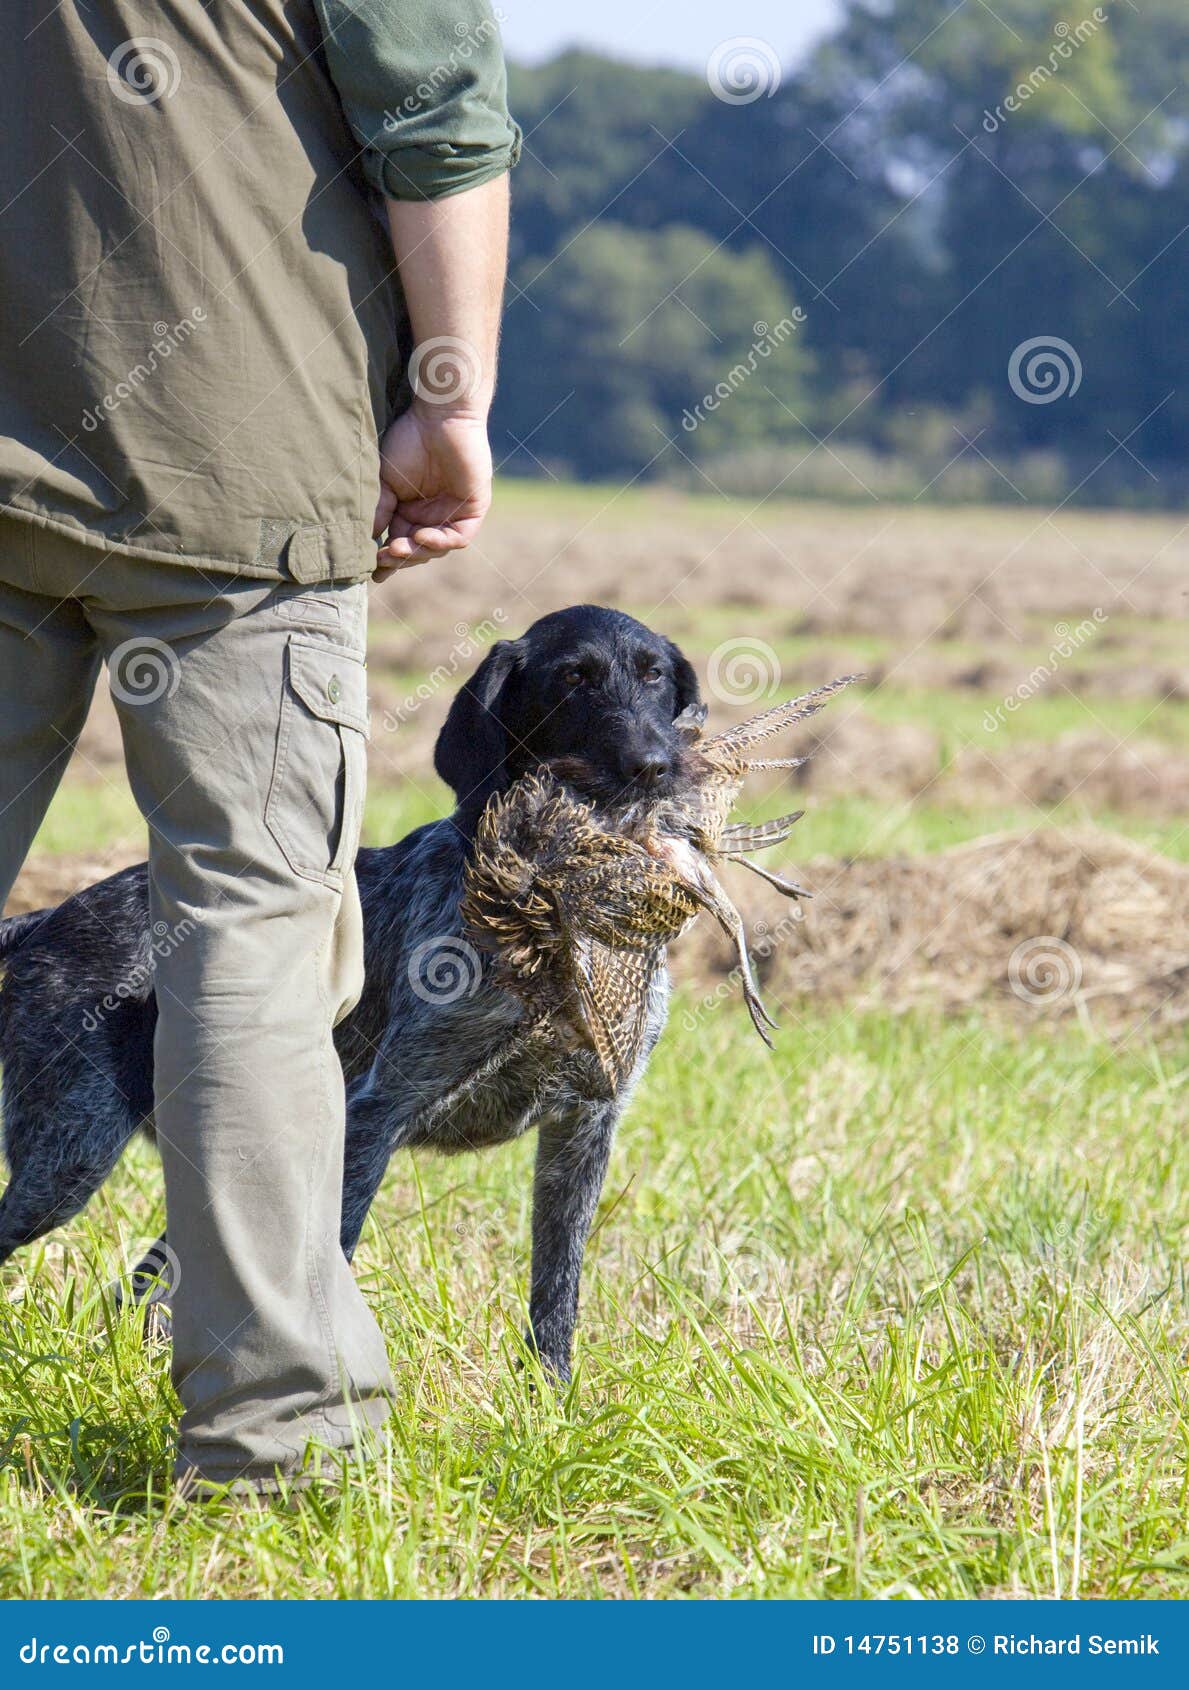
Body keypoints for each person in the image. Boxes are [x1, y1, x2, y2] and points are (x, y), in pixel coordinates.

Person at [0, 1, 518, 1494]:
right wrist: (450, 397)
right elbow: (438, 126)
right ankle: (273, 1440)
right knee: (251, 944)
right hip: (238, 465)